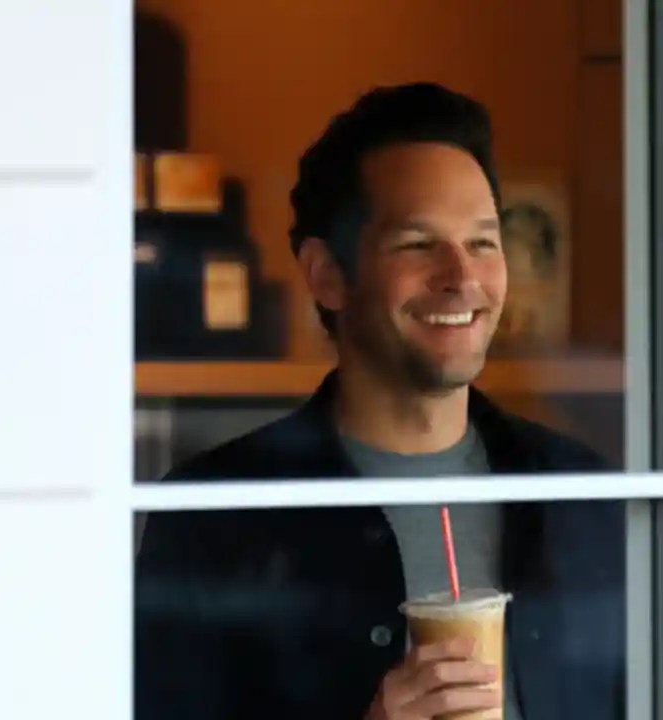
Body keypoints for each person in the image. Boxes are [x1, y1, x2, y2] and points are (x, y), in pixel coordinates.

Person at [135, 82, 626, 720]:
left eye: (482, 241)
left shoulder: (586, 499)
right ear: (327, 275)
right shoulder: (212, 519)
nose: (462, 276)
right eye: (418, 245)